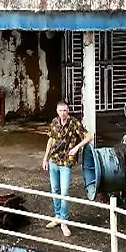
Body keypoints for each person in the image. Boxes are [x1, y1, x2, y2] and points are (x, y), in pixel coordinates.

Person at [43, 101, 92, 237]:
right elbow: (51, 140)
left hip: (66, 162)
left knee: (64, 192)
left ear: (68, 110)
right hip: (53, 160)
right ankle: (57, 216)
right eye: (60, 111)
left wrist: (77, 147)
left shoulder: (74, 123)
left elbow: (89, 136)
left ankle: (64, 221)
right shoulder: (54, 123)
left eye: (65, 111)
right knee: (55, 190)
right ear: (57, 111)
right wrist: (45, 158)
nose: (63, 114)